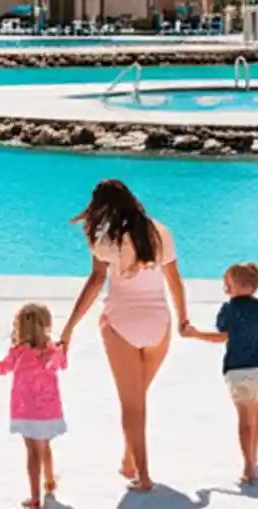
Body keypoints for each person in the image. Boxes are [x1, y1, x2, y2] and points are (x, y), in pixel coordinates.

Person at [59, 179, 188, 492]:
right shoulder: (160, 231)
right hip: (159, 324)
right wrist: (183, 319)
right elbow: (175, 281)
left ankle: (142, 474)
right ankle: (129, 461)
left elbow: (94, 285)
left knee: (131, 405)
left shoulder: (105, 239)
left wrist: (69, 328)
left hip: (121, 325)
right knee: (138, 397)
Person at [182, 263, 258, 485]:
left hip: (237, 370)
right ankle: (253, 457)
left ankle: (248, 466)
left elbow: (222, 336)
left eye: (227, 282)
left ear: (234, 286)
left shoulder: (228, 310)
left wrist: (195, 334)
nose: (225, 286)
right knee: (255, 413)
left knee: (244, 419)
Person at [0, 303, 68, 509]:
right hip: (49, 411)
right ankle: (49, 480)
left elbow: (0, 369)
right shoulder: (52, 351)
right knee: (45, 446)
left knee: (32, 451)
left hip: (25, 411)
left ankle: (35, 497)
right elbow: (62, 364)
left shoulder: (18, 353)